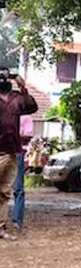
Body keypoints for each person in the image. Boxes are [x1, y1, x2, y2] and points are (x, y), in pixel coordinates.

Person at [0, 69, 38, 240]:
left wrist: (22, 86)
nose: (3, 79)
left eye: (5, 75)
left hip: (11, 151)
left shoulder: (16, 98)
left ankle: (1, 227)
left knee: (4, 192)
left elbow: (32, 107)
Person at [11, 114, 34, 232]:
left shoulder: (25, 116)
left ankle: (17, 221)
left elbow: (27, 137)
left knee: (18, 189)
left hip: (17, 154)